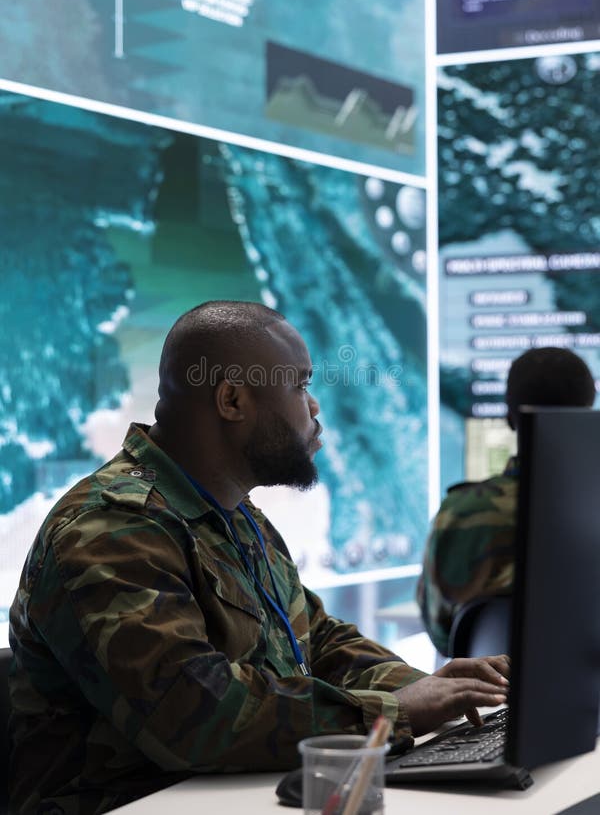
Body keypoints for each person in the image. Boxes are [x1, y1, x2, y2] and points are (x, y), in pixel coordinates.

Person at [9, 301, 509, 814]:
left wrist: (433, 690)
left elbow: (319, 641)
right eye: (300, 386)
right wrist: (394, 713)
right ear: (231, 400)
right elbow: (194, 713)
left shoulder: (233, 514)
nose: (313, 408)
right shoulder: (110, 529)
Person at [417, 346, 596, 657]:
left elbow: (442, 634)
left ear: (509, 418)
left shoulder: (459, 514)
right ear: (590, 411)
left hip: (489, 700)